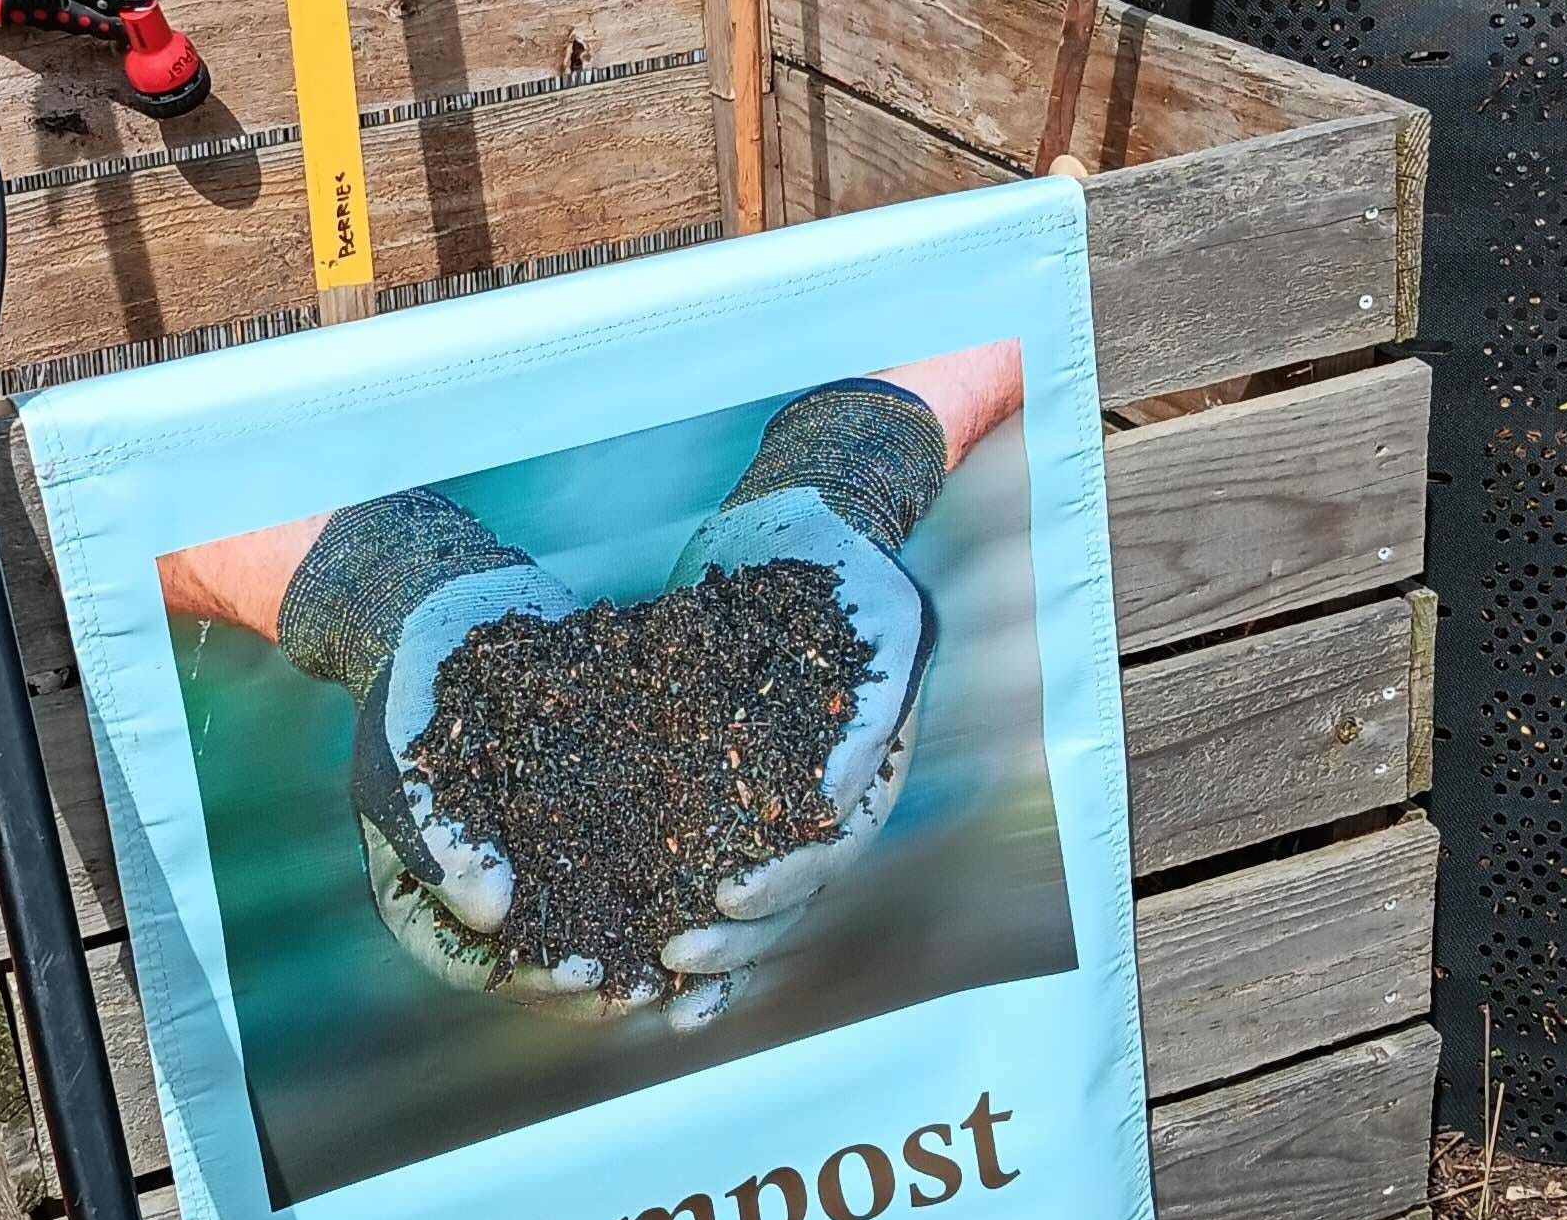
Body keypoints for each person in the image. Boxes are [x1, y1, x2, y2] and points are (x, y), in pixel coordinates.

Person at [159, 341, 1023, 1028]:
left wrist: (867, 444)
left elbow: (1023, 271)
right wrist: (352, 579)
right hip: (317, 816)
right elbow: (104, 476)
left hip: (898, 767)